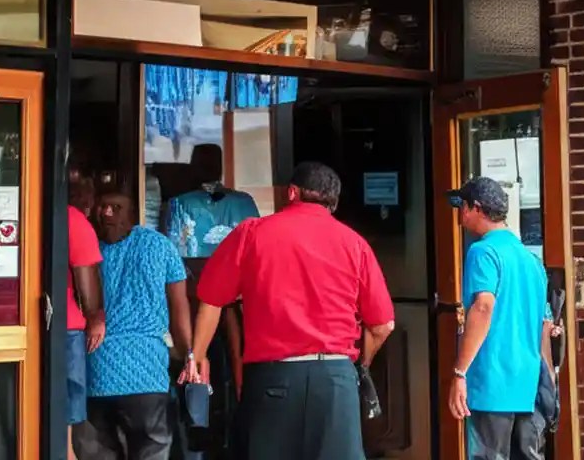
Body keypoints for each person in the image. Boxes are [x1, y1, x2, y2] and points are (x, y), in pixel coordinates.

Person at [180, 161, 395, 460]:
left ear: (292, 192)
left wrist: (197, 355)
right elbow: (383, 326)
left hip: (272, 380)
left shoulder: (251, 233)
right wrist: (360, 366)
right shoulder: (354, 244)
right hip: (335, 380)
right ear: (332, 201)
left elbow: (212, 299)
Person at [78, 190, 193, 460]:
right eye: (103, 206)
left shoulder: (88, 249)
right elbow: (179, 308)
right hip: (143, 377)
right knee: (151, 449)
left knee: (99, 452)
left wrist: (189, 353)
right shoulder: (162, 246)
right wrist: (189, 354)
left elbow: (179, 310)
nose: (106, 213)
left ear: (132, 215)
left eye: (115, 207)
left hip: (101, 373)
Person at [446, 177, 553, 460]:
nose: (459, 214)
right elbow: (546, 325)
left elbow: (483, 306)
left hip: (491, 383)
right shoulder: (531, 261)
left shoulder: (483, 252)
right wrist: (549, 383)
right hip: (528, 385)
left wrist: (459, 373)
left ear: (475, 208)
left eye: (462, 206)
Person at [67, 172, 106, 460]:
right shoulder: (75, 221)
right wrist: (96, 317)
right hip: (66, 327)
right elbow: (86, 275)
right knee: (68, 416)